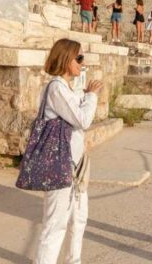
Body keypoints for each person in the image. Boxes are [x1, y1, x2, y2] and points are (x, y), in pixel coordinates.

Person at [33, 39, 103, 264]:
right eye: (79, 58)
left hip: (75, 166)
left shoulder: (65, 88)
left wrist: (83, 96)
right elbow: (82, 119)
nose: (83, 63)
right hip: (59, 165)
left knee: (78, 219)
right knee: (55, 225)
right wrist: (91, 96)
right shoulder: (56, 88)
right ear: (65, 59)